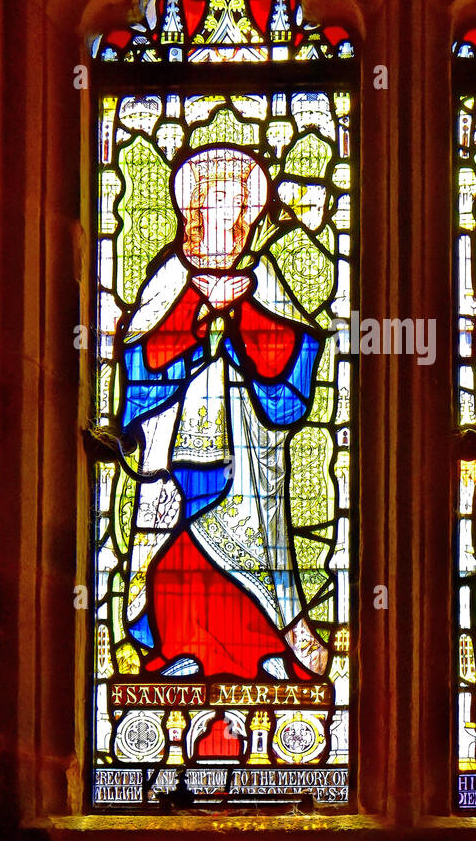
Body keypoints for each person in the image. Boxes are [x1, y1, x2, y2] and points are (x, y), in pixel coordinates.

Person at [115, 144, 328, 682]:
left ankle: (262, 650)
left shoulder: (260, 276)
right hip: (175, 443)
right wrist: (195, 308)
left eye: (241, 207)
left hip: (247, 450)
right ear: (193, 209)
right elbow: (138, 357)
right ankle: (177, 648)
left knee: (256, 545)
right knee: (176, 545)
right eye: (221, 203)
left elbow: (296, 354)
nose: (232, 218)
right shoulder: (168, 275)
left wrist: (243, 312)